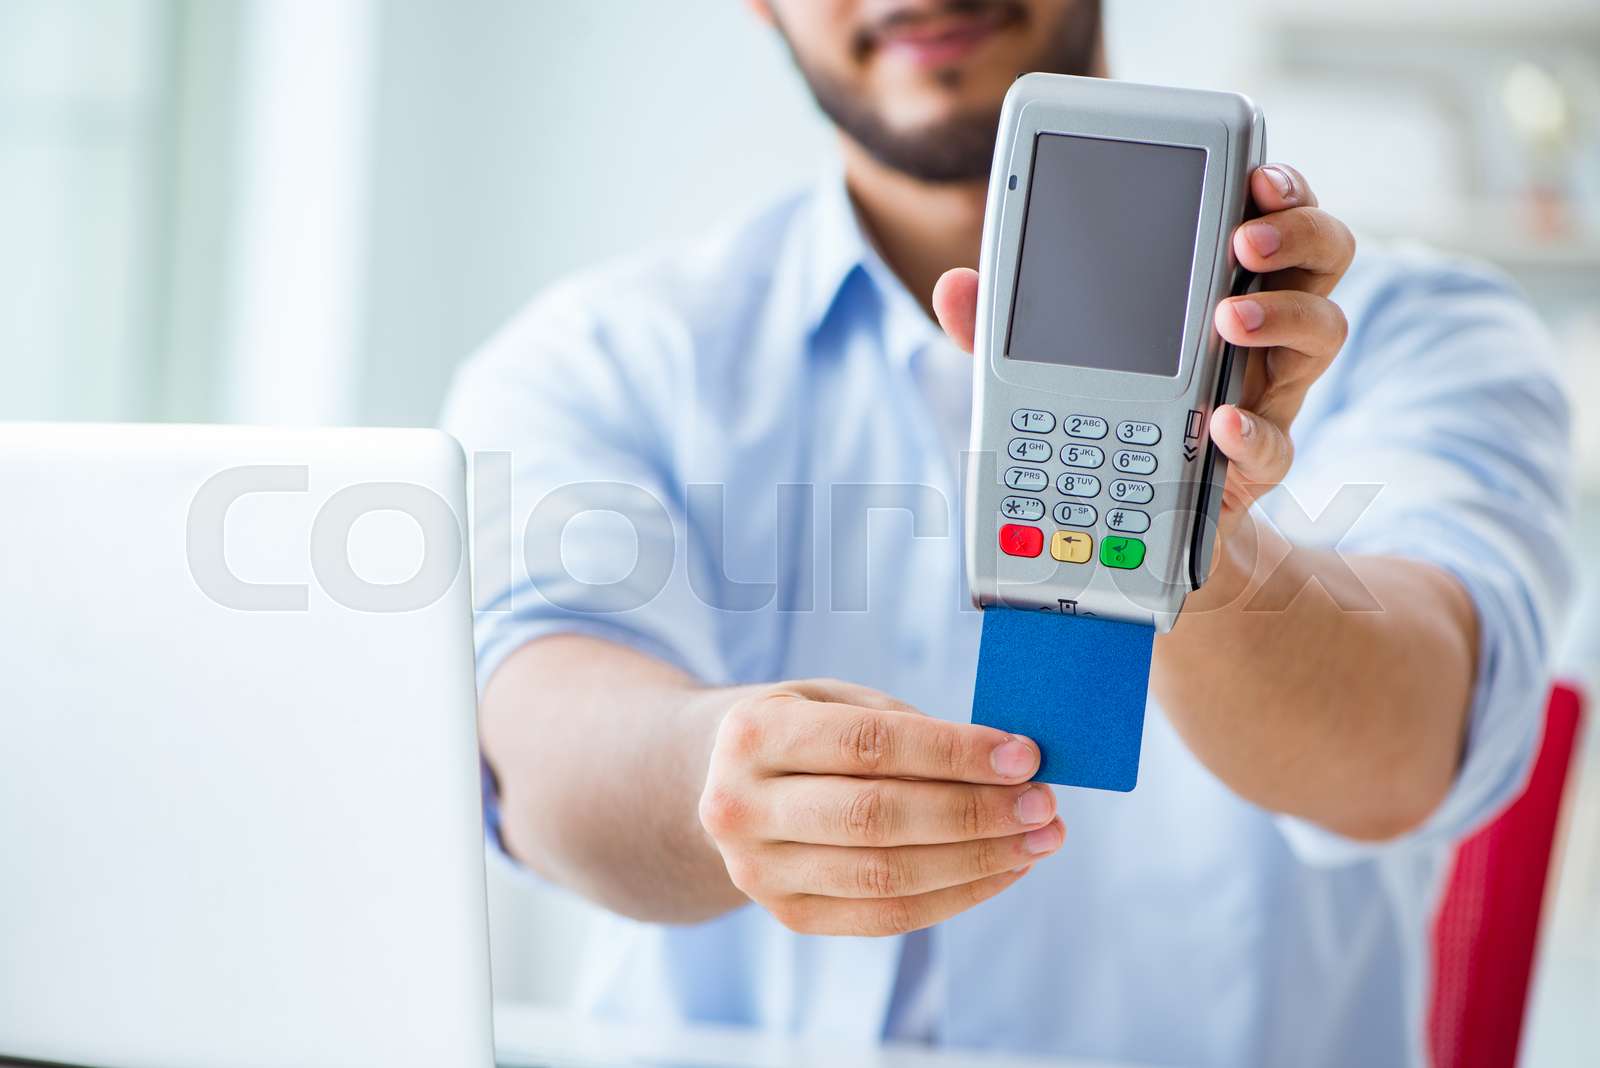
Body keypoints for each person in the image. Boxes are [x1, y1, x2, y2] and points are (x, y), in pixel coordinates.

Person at [442, 2, 1573, 1065]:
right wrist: (716, 779)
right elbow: (526, 724)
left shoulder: (1421, 337)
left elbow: (1412, 747)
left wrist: (1191, 539)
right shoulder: (599, 355)